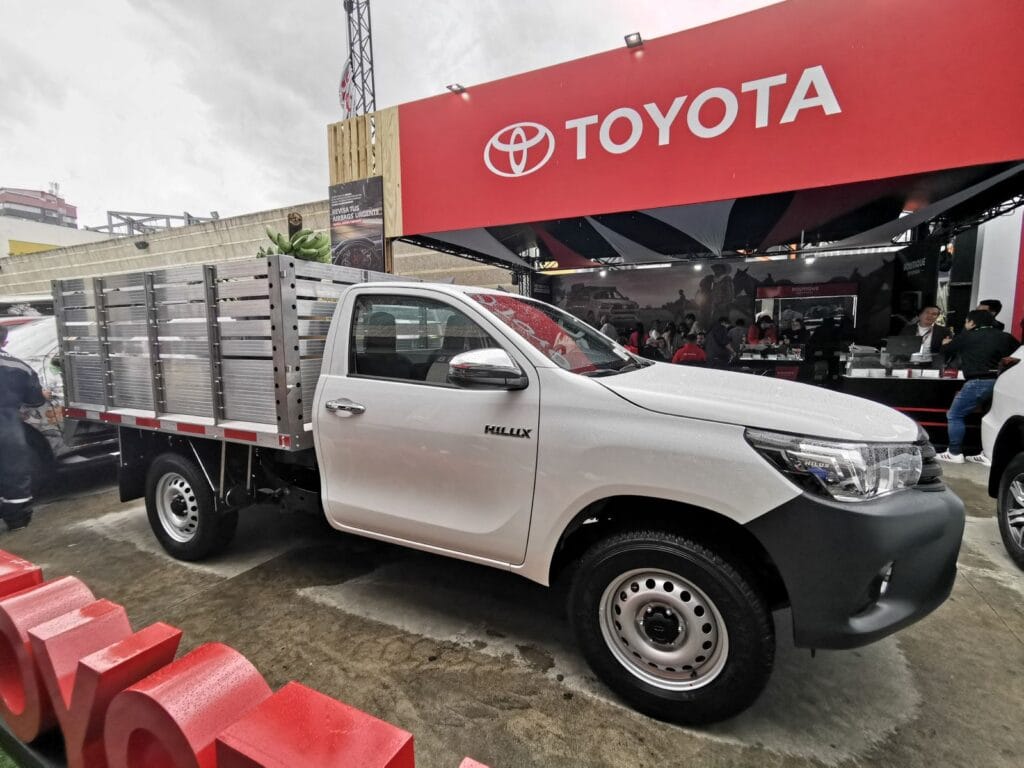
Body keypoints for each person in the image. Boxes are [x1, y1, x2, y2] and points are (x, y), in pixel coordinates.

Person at [936, 309, 1020, 464]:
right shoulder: (1005, 337)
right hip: (1001, 382)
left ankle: (954, 453)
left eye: (966, 321)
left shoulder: (967, 337)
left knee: (955, 415)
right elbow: (1018, 354)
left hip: (977, 381)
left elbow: (946, 351)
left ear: (972, 322)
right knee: (993, 418)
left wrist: (945, 344)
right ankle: (989, 454)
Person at [0, 325, 50, 532]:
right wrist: (43, 395)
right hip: (6, 426)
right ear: (4, 342)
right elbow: (35, 399)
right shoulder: (18, 367)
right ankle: (17, 521)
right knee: (14, 473)